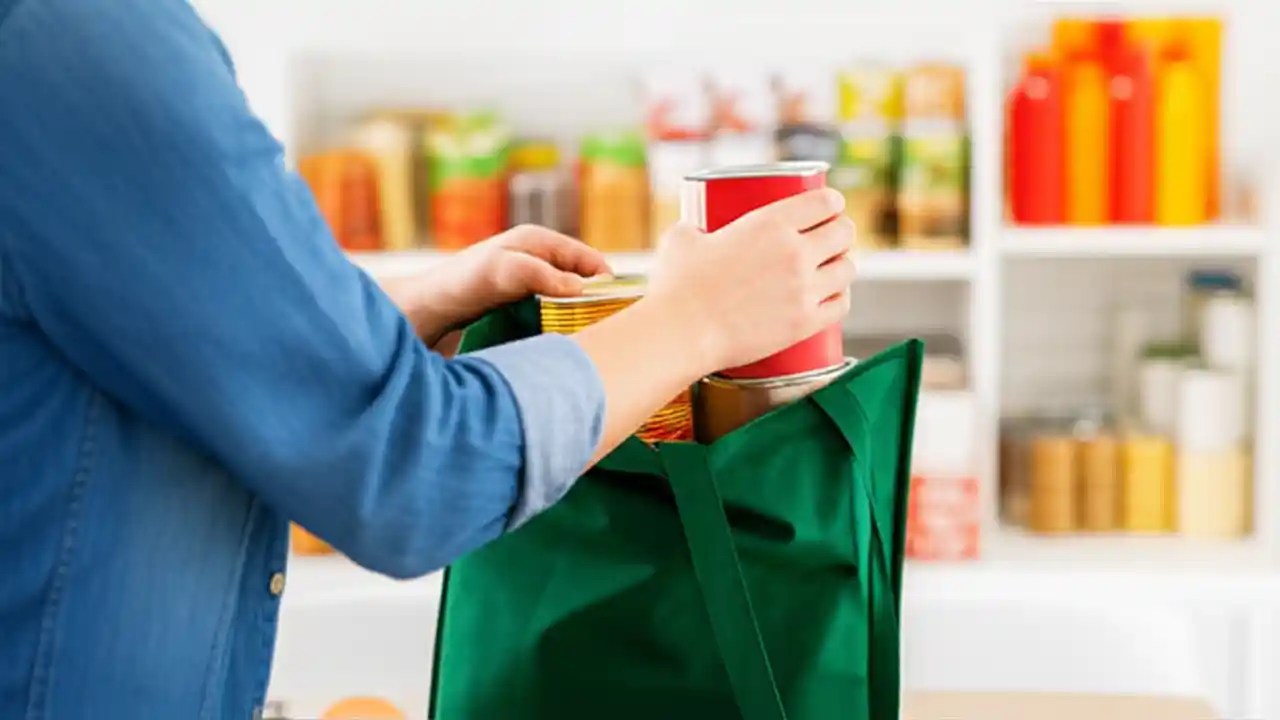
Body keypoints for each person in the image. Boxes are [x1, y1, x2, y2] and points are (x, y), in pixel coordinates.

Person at [0, 1, 856, 718]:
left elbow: (118, 353)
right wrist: (697, 318)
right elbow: (410, 472)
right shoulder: (71, 40)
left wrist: (376, 330)